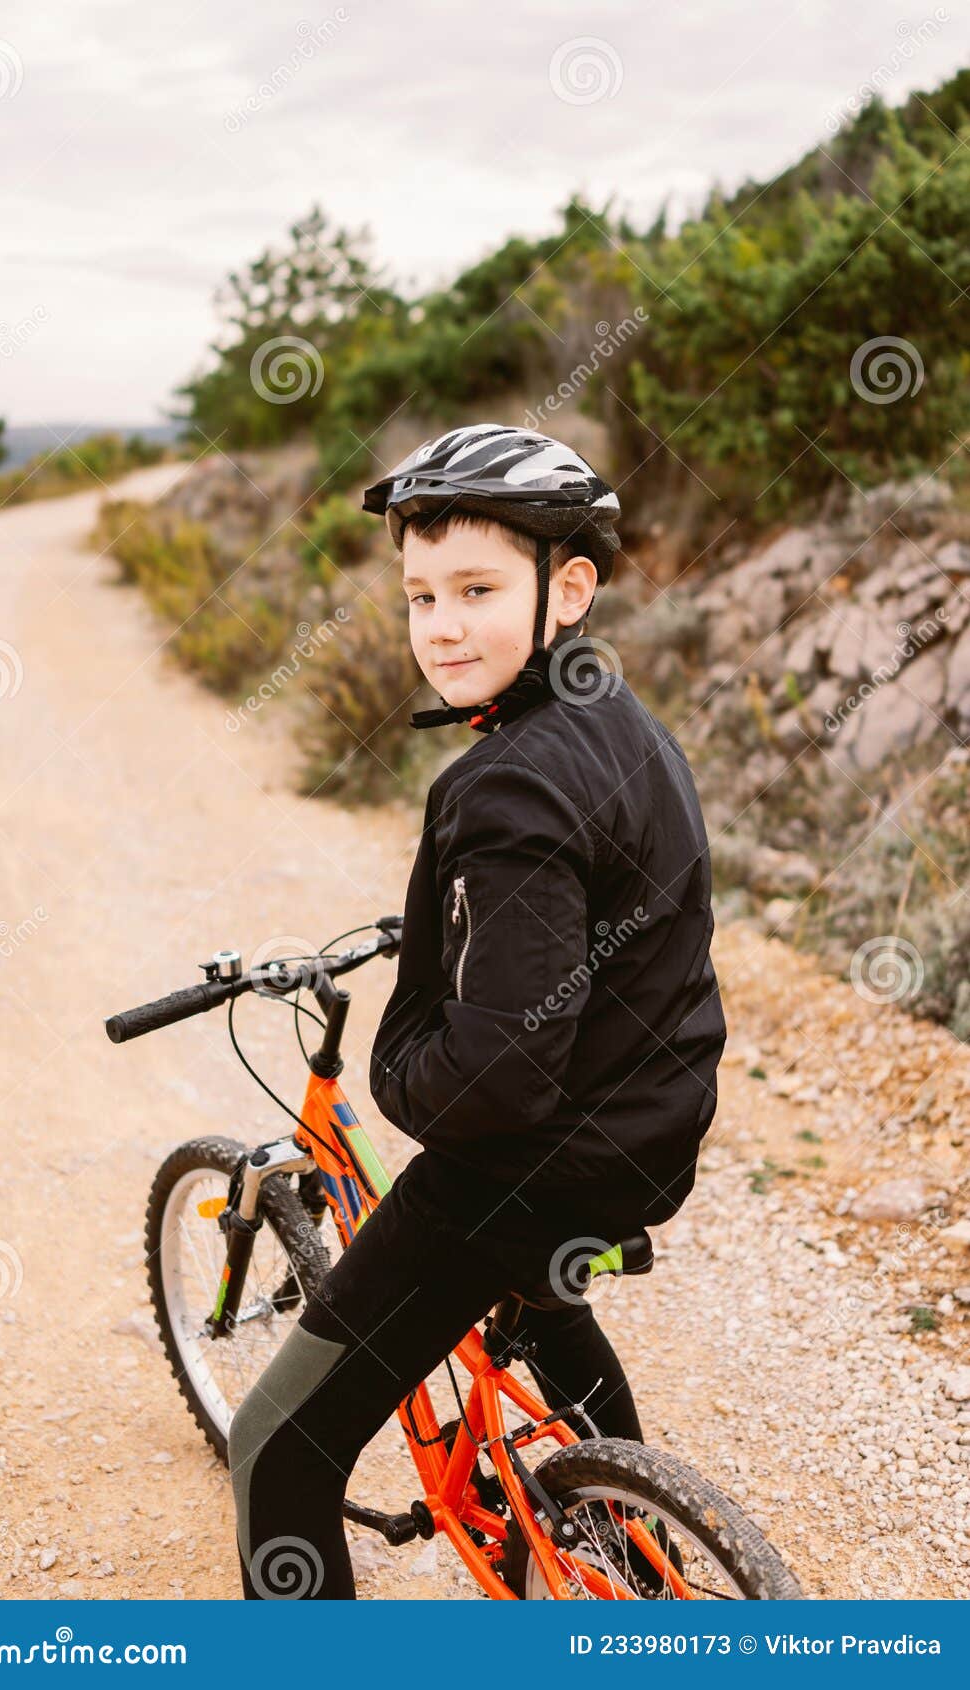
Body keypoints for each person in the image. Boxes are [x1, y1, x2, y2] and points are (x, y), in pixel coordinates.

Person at [228, 423, 727, 1600]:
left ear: (568, 587)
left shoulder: (504, 780)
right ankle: (624, 1547)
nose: (440, 626)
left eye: (476, 590)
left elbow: (496, 1074)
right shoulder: (620, 724)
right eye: (417, 596)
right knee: (545, 1303)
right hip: (641, 1137)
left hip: (519, 1170)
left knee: (275, 1444)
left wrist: (397, 1066)